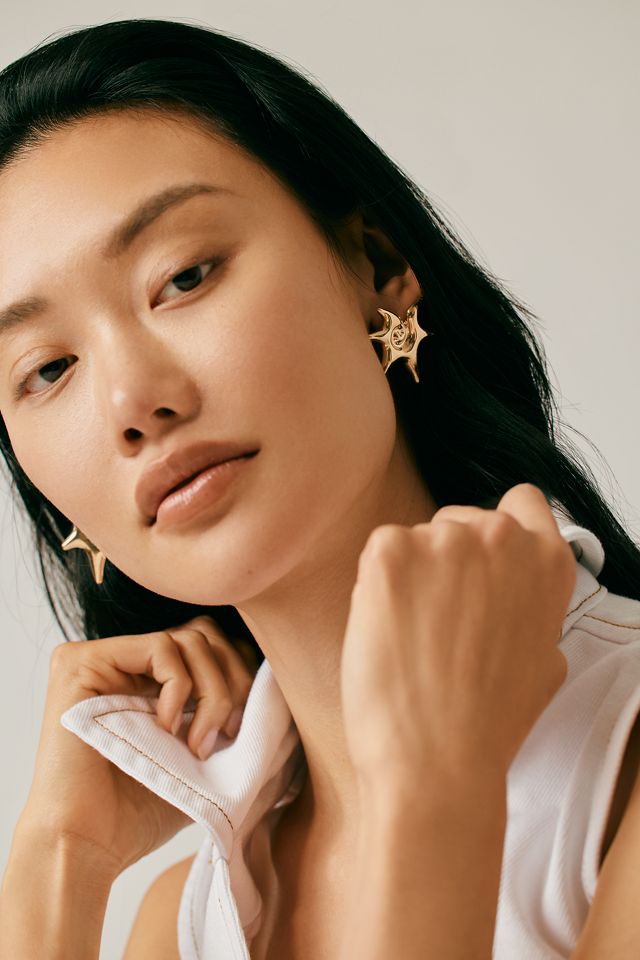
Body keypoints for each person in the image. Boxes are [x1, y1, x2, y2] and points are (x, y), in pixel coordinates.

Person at [0, 18, 639, 960]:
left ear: (376, 267)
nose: (134, 404)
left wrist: (433, 796)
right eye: (47, 369)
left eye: (184, 277)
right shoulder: (183, 921)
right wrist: (59, 864)